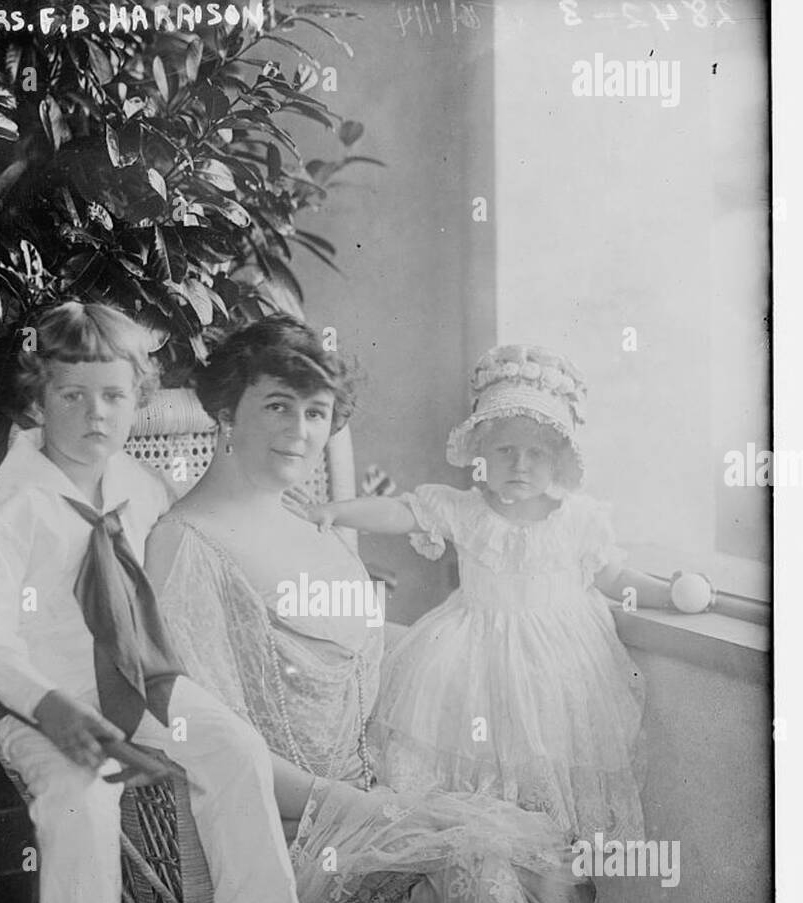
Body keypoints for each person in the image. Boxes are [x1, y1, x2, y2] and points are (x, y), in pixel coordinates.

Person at [144, 316, 671, 903]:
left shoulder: (302, 519)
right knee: (481, 872)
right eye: (277, 406)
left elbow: (360, 660)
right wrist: (347, 803)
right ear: (225, 409)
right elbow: (204, 743)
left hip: (371, 795)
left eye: (317, 413)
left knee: (537, 858)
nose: (300, 433)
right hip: (281, 839)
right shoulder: (187, 544)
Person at [0, 302, 321, 903]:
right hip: (41, 704)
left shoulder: (140, 488)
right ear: (37, 399)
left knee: (235, 748)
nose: (96, 414)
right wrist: (50, 708)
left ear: (137, 399)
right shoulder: (8, 509)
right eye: (73, 396)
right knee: (80, 800)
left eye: (113, 396)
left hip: (139, 684)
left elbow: (170, 587)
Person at [288, 344, 714, 843]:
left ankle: (541, 858)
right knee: (473, 771)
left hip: (559, 666)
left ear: (559, 461)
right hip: (474, 654)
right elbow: (401, 512)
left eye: (536, 453)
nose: (520, 465)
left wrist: (670, 593)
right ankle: (483, 849)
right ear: (480, 454)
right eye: (506, 450)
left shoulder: (578, 520)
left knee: (545, 763)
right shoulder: (465, 509)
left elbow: (615, 577)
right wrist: (332, 511)